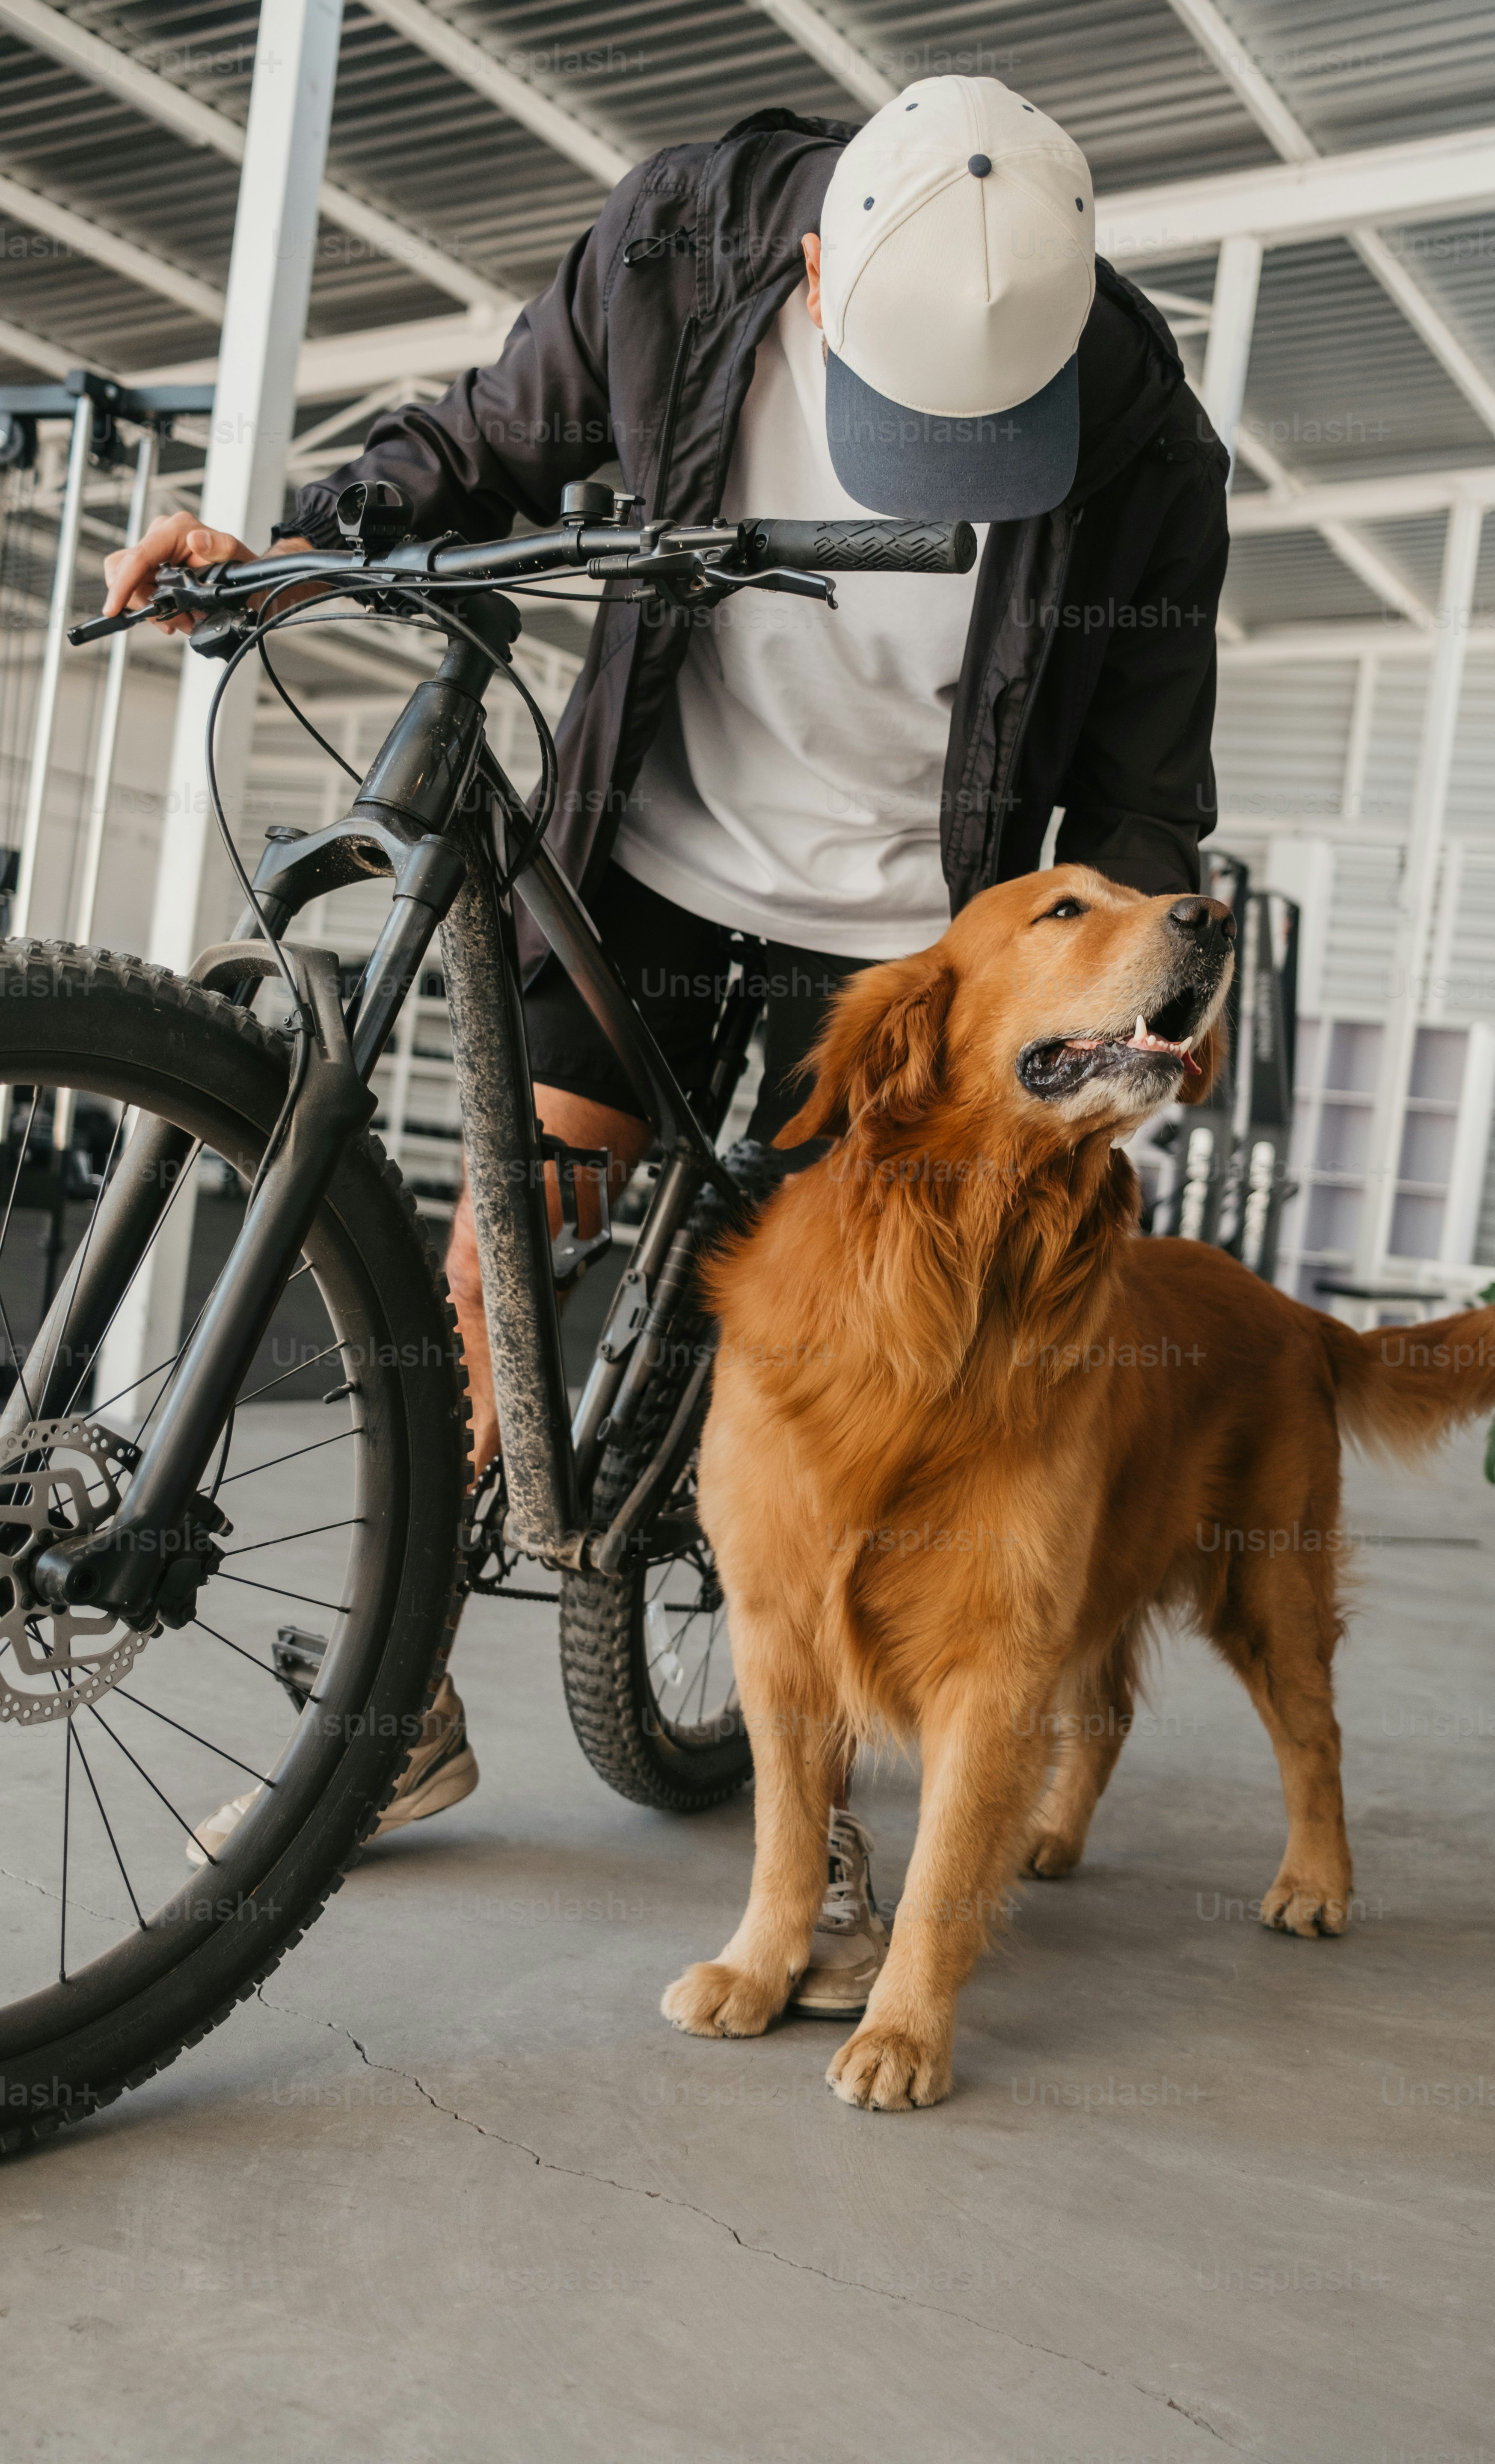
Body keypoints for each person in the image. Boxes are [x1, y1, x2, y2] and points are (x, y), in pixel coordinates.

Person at [105, 74, 1230, 2017]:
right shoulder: (682, 246)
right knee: (491, 1251)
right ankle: (408, 1709)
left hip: (901, 947)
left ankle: (835, 1829)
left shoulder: (1136, 437)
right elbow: (487, 442)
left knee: (847, 1365)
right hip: (656, 856)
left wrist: (1130, 1025)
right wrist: (298, 534)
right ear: (812, 271)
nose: (944, 472)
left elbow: (1139, 814)